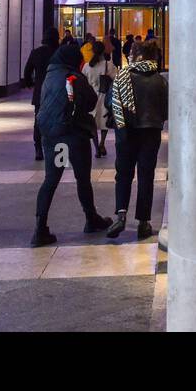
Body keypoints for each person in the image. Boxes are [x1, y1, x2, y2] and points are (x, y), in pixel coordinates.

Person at [33, 42, 111, 246]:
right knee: (82, 178)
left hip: (51, 135)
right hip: (72, 134)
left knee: (51, 180)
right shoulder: (74, 77)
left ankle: (40, 227)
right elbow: (91, 101)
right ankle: (91, 218)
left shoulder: (50, 75)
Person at [107, 41, 169, 239]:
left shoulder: (122, 77)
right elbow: (166, 110)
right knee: (146, 176)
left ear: (135, 55)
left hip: (126, 133)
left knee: (123, 173)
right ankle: (144, 222)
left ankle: (120, 215)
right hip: (150, 133)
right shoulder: (160, 80)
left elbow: (110, 103)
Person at [23, 28, 60, 161]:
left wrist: (30, 84)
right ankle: (59, 152)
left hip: (40, 93)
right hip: (57, 92)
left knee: (38, 121)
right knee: (58, 119)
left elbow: (27, 71)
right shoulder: (59, 52)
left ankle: (38, 149)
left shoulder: (36, 53)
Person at [83, 40, 118, 158]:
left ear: (92, 51)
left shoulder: (87, 66)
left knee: (92, 123)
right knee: (104, 122)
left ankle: (97, 147)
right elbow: (116, 79)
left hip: (90, 96)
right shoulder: (108, 65)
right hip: (104, 96)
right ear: (103, 51)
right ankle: (102, 143)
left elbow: (83, 80)